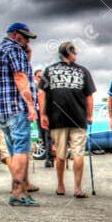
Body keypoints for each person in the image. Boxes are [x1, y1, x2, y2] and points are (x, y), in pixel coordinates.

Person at [0, 22, 41, 206]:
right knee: (21, 149)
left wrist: (28, 54)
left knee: (14, 150)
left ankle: (22, 189)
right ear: (14, 34)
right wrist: (31, 105)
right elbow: (20, 77)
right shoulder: (14, 49)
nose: (27, 41)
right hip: (16, 107)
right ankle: (18, 192)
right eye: (25, 37)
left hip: (1, 111)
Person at [39, 41, 95, 198]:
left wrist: (43, 114)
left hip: (57, 118)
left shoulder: (49, 70)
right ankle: (77, 188)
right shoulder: (83, 71)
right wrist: (90, 115)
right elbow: (89, 96)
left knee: (60, 154)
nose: (76, 55)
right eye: (75, 52)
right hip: (78, 118)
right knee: (78, 153)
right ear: (69, 53)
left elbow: (41, 93)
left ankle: (61, 186)